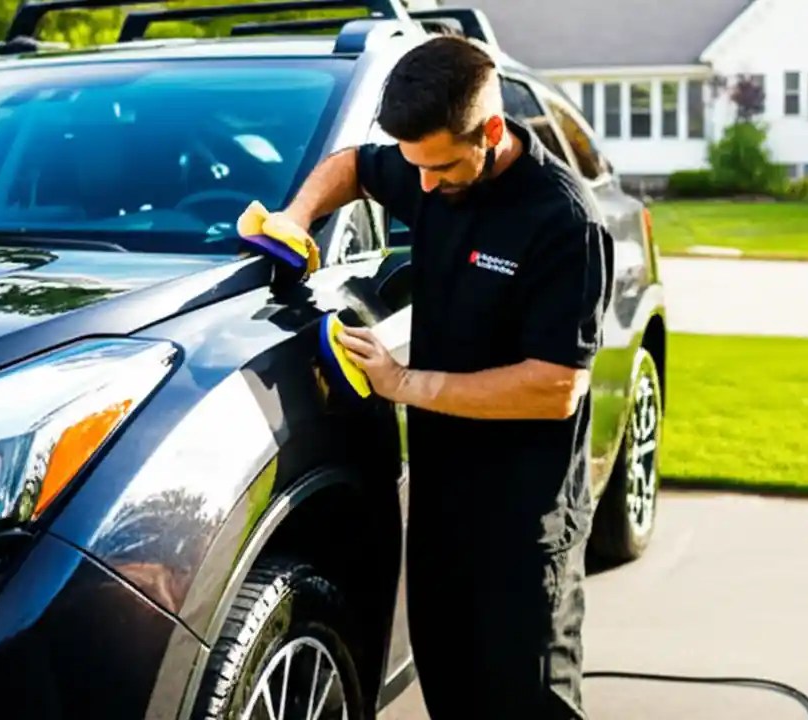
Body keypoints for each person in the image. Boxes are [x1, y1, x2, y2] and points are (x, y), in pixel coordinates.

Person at [238, 35, 612, 718]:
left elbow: (556, 387)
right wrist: (295, 218)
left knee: (527, 705)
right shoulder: (428, 165)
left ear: (491, 131)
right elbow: (351, 164)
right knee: (452, 695)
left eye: (442, 168)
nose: (427, 187)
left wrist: (404, 383)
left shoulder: (564, 223)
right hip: (441, 510)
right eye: (417, 170)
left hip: (522, 529)